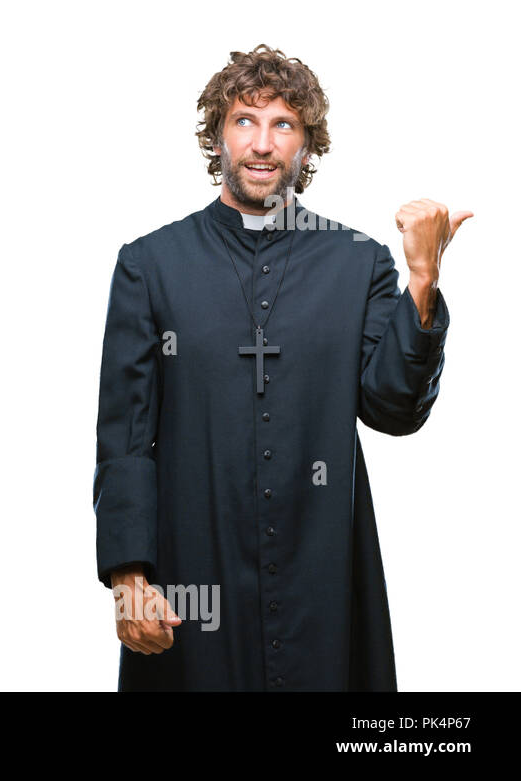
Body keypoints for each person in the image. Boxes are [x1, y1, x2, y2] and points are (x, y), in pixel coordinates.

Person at [93, 44, 470, 691]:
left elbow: (395, 407)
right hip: (195, 571)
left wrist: (423, 281)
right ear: (216, 136)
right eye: (244, 120)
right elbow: (125, 439)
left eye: (283, 124)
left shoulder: (361, 264)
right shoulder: (149, 264)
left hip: (321, 576)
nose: (262, 143)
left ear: (307, 144)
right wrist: (130, 577)